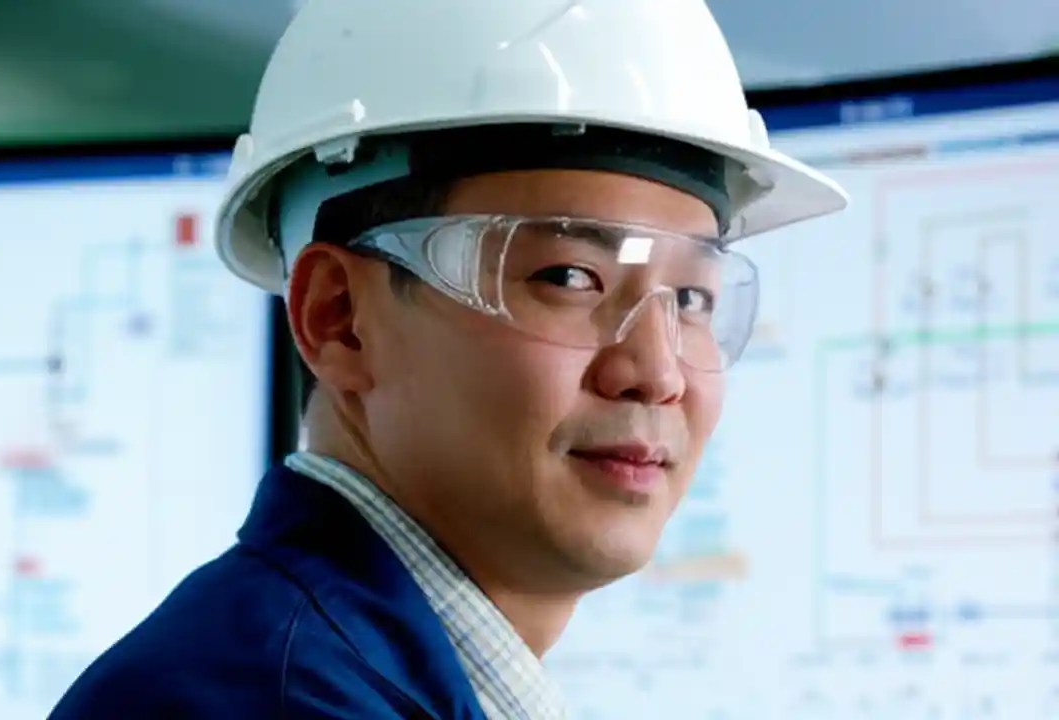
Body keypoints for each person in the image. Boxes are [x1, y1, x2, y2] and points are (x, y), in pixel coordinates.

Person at [48, 0, 847, 717]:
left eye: (693, 300)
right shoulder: (270, 704)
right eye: (569, 277)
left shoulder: (352, 678)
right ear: (340, 320)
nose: (659, 371)